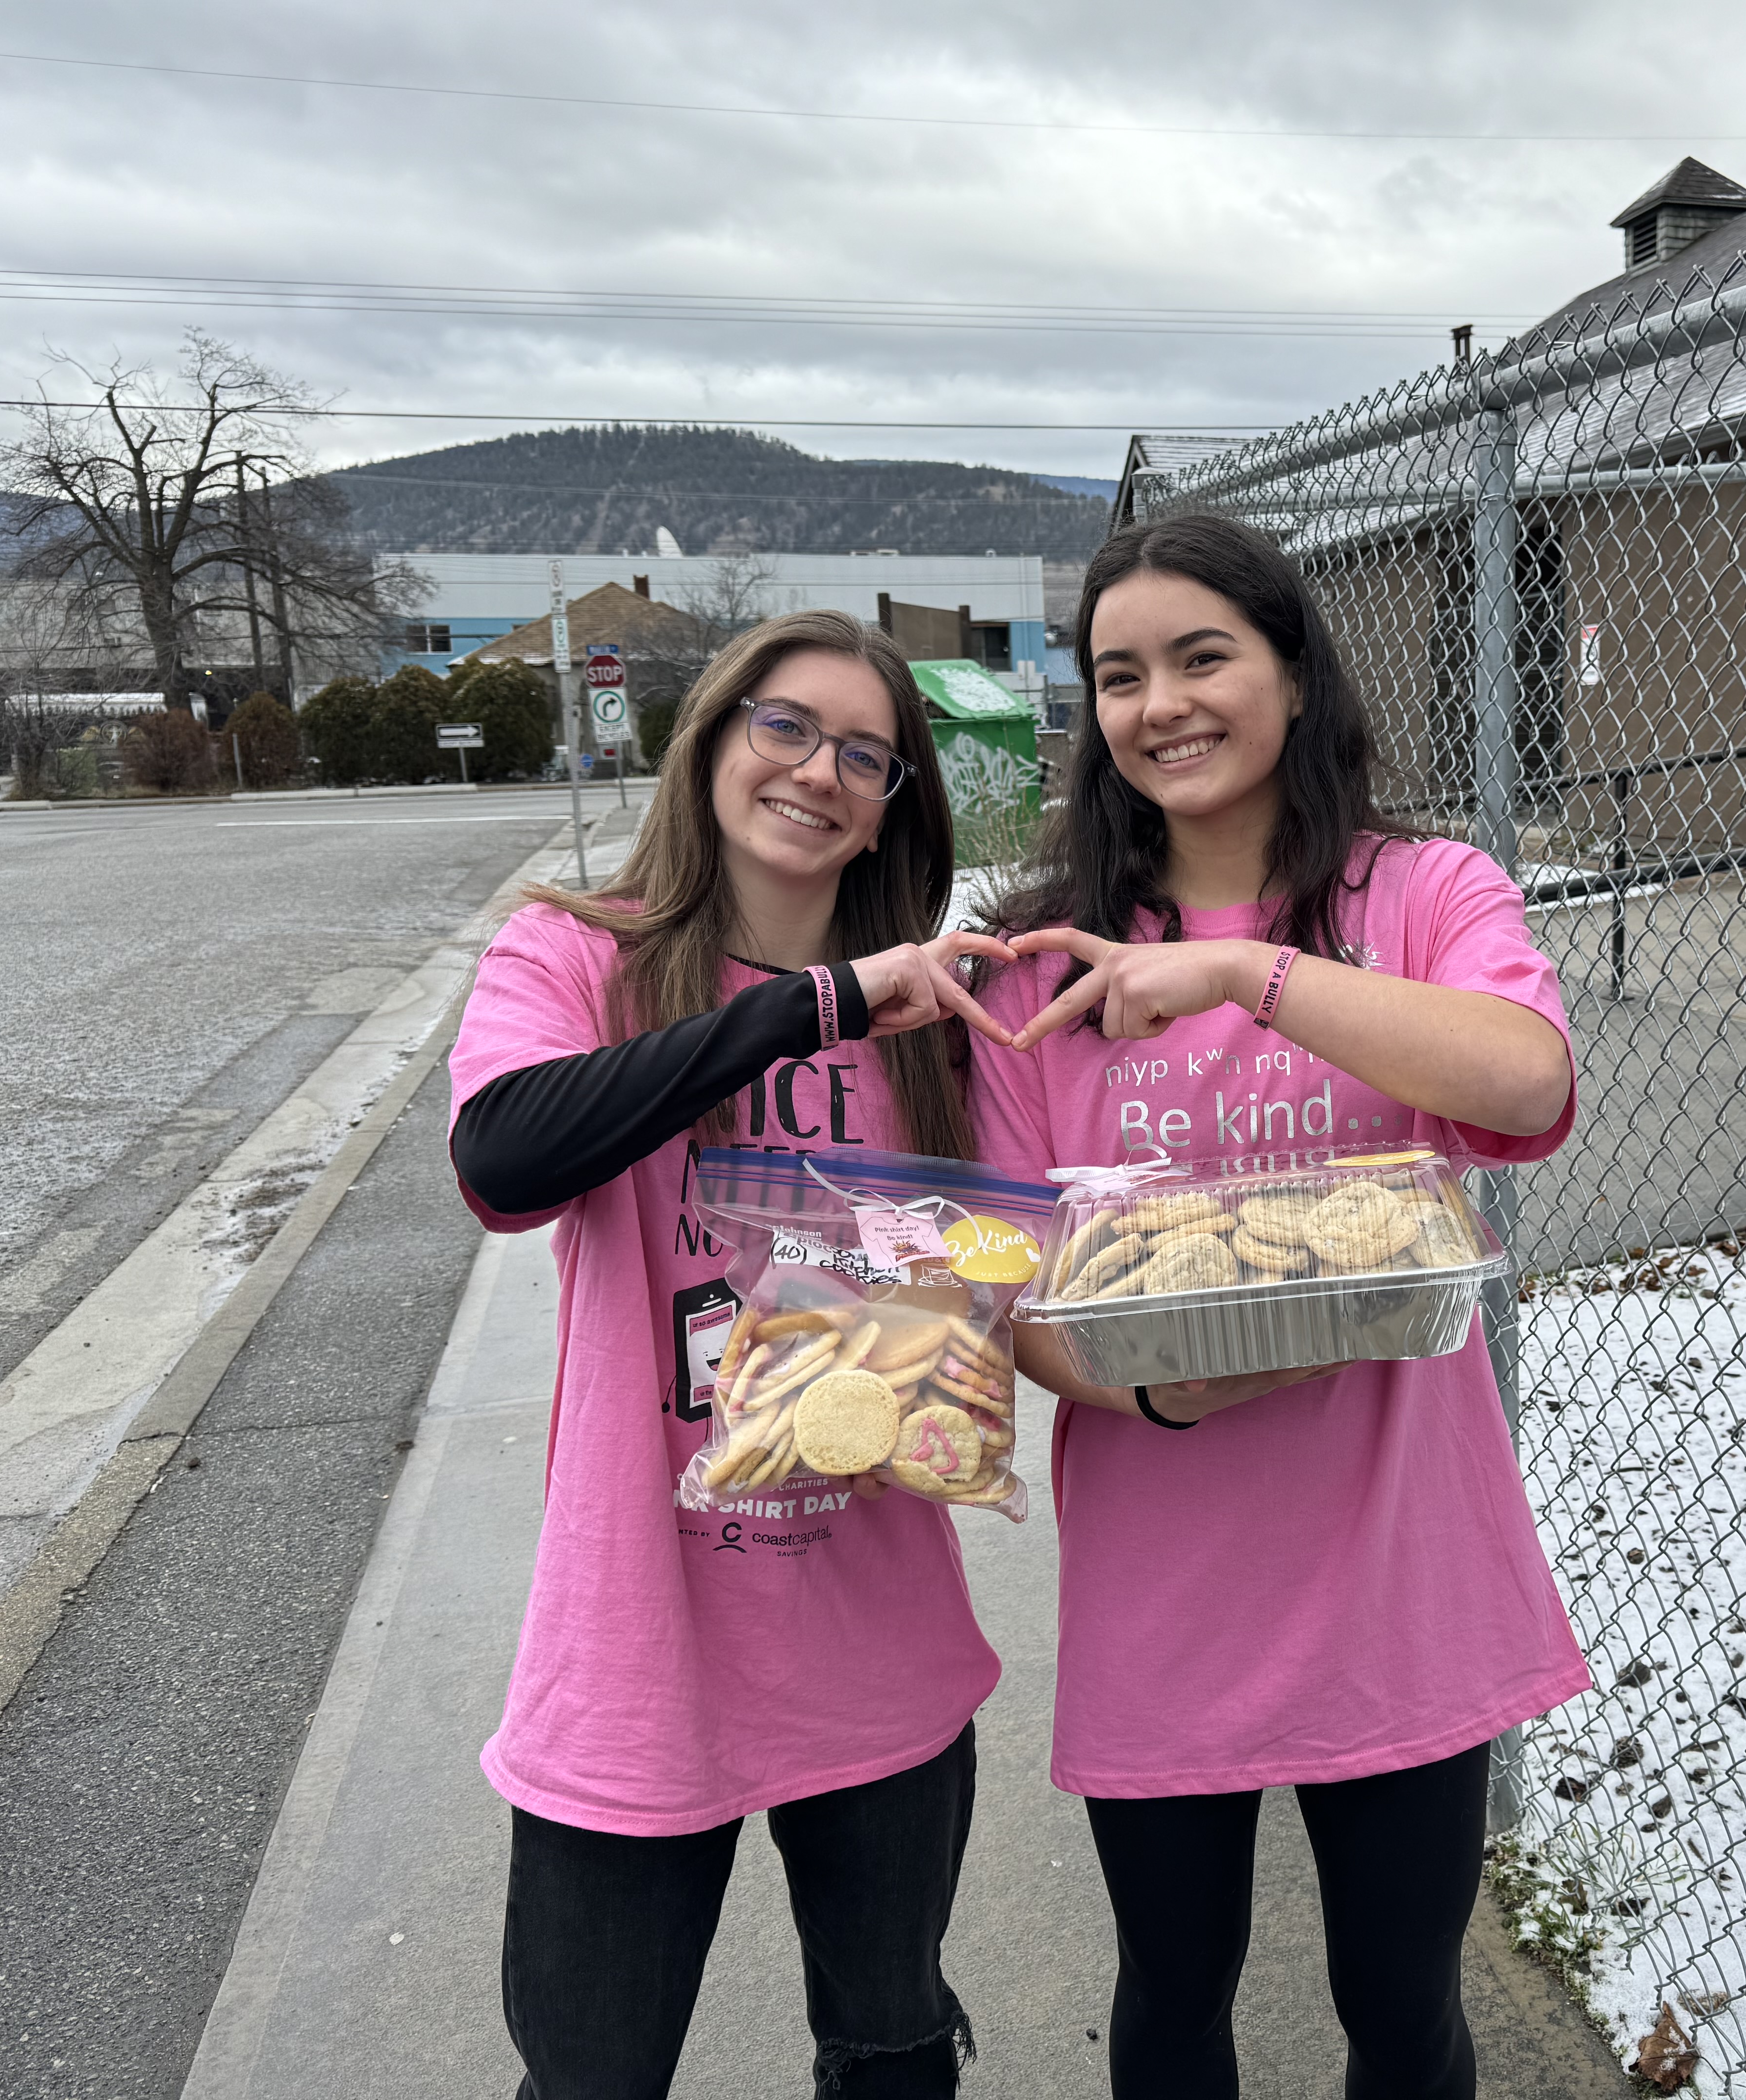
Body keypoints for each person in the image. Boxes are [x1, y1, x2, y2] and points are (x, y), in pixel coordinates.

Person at [968, 515, 1589, 2100]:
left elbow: (1526, 1083)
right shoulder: (1041, 965)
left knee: (1400, 2001)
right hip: (1170, 1584)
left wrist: (1248, 977)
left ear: (1295, 676)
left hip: (1403, 1571)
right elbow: (1013, 1295)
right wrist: (1163, 1384)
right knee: (1172, 1995)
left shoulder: (1425, 892)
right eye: (1120, 674)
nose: (1161, 701)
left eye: (1202, 656)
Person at [447, 609, 1020, 2100]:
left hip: (876, 1637)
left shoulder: (934, 1020)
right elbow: (505, 1162)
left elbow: (1003, 1262)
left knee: (894, 2054)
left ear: (896, 801)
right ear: (710, 736)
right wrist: (816, 1003)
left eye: (867, 754)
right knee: (590, 2075)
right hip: (639, 1646)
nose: (820, 770)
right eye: (786, 725)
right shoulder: (577, 954)